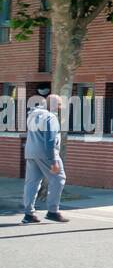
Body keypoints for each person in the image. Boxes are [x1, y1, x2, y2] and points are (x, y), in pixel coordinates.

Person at [23, 95, 69, 223]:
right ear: (53, 105)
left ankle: (28, 213)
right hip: (46, 153)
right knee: (59, 179)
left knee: (32, 182)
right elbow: (50, 140)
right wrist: (53, 160)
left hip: (30, 152)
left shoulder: (32, 115)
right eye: (59, 104)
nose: (60, 107)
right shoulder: (50, 117)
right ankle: (53, 211)